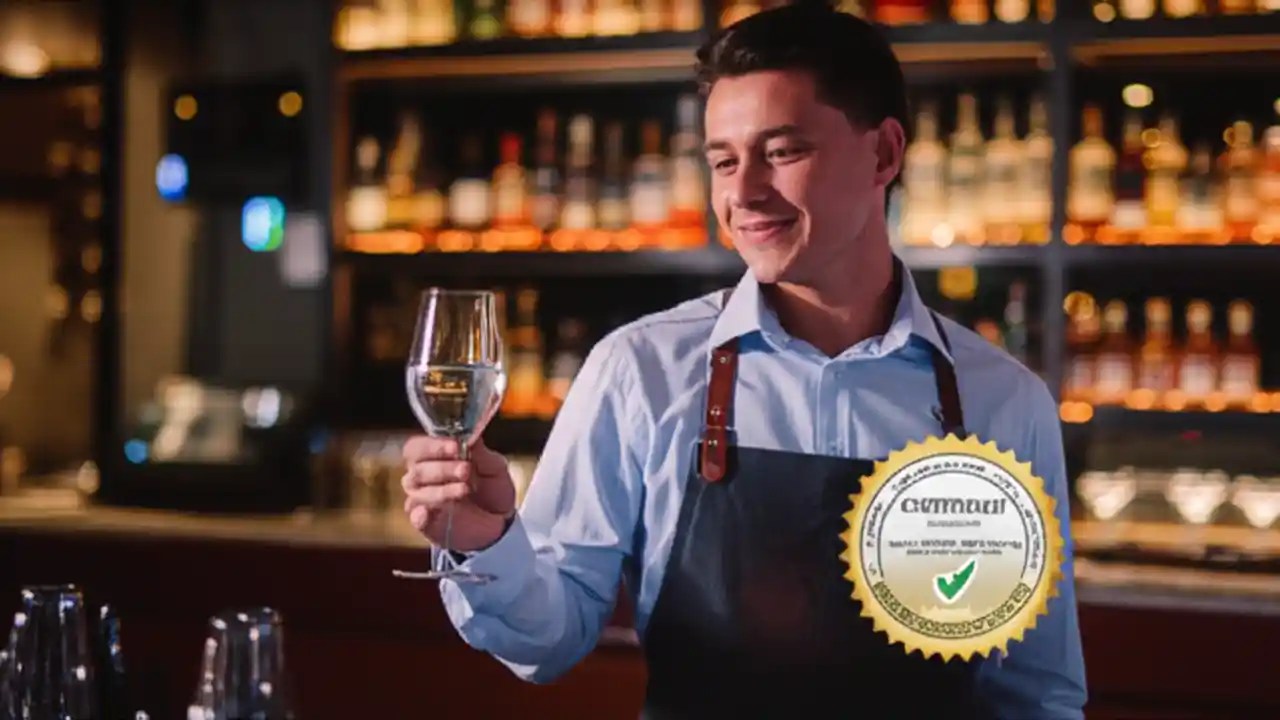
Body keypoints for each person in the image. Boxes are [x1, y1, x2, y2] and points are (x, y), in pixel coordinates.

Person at [401, 2, 1087, 717]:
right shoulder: (641, 371)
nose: (744, 192)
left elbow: (1035, 692)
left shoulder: (1003, 401)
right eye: (724, 161)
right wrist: (490, 544)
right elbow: (547, 639)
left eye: (783, 151)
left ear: (884, 153)